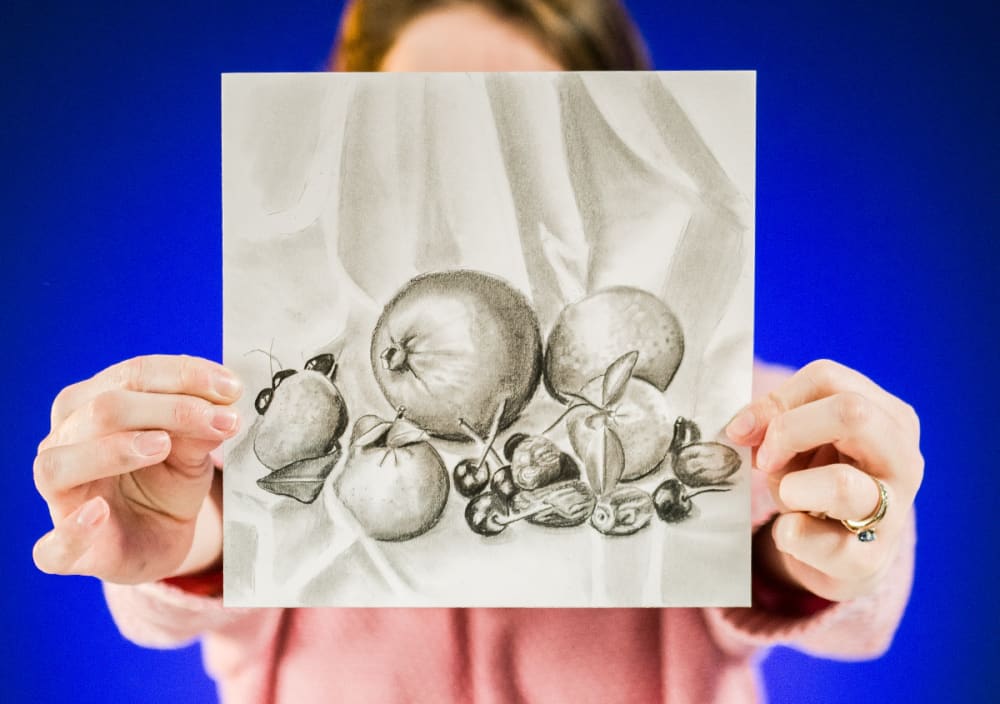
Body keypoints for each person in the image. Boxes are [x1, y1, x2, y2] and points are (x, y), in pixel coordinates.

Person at [32, 0, 922, 701]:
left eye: (529, 133)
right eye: (417, 129)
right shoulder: (277, 403)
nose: (471, 177)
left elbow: (834, 607)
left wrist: (830, 535)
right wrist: (187, 530)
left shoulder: (718, 404)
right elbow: (218, 548)